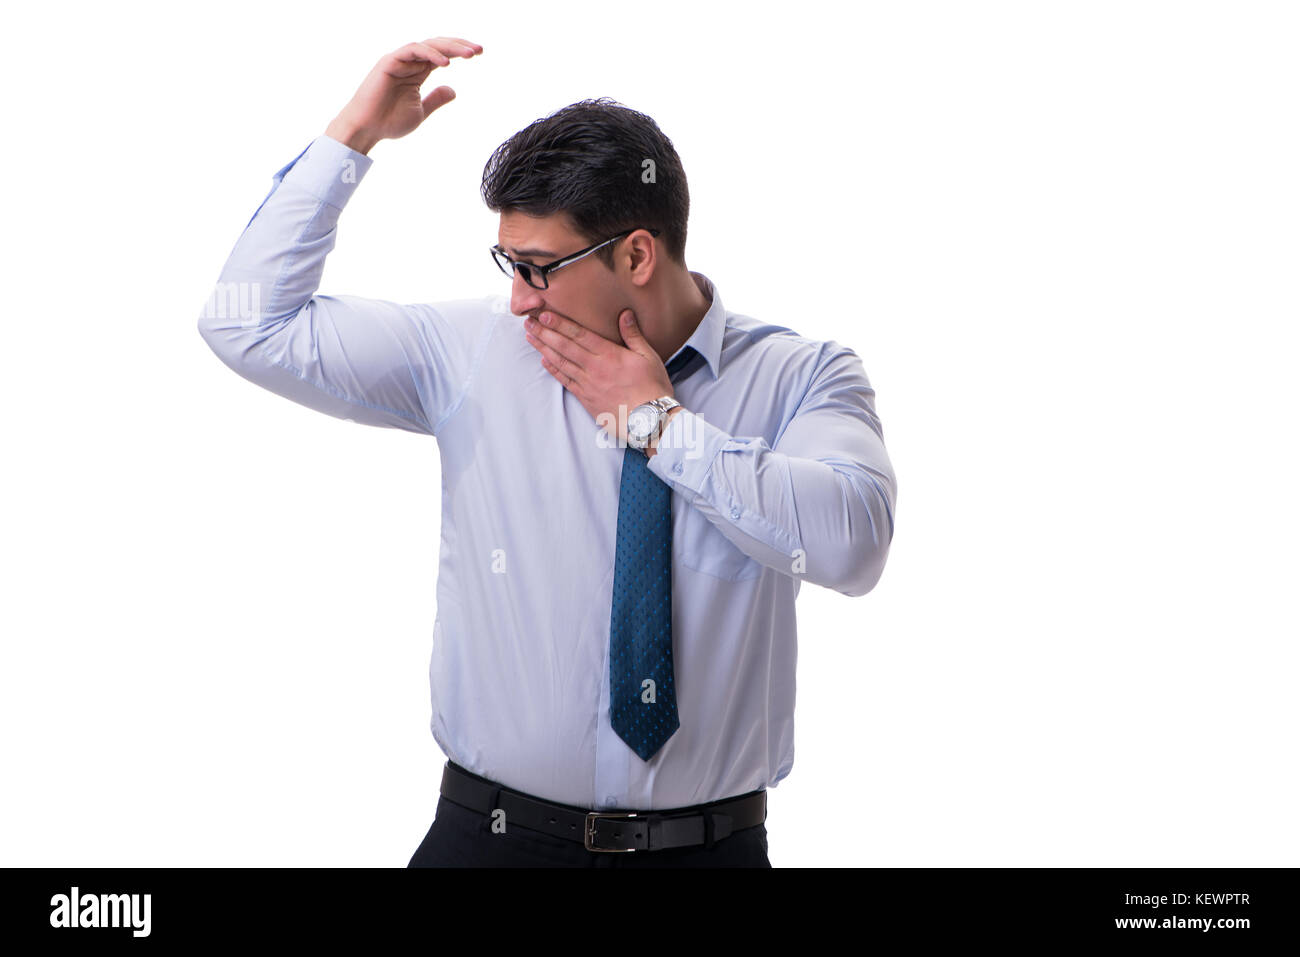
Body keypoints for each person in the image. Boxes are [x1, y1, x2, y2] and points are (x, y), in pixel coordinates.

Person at [197, 36, 897, 868]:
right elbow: (245, 323)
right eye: (510, 265)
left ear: (637, 254)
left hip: (707, 853)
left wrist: (658, 426)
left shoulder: (801, 377)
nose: (519, 299)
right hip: (487, 843)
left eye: (538, 269)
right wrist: (353, 135)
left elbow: (851, 547)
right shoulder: (470, 351)